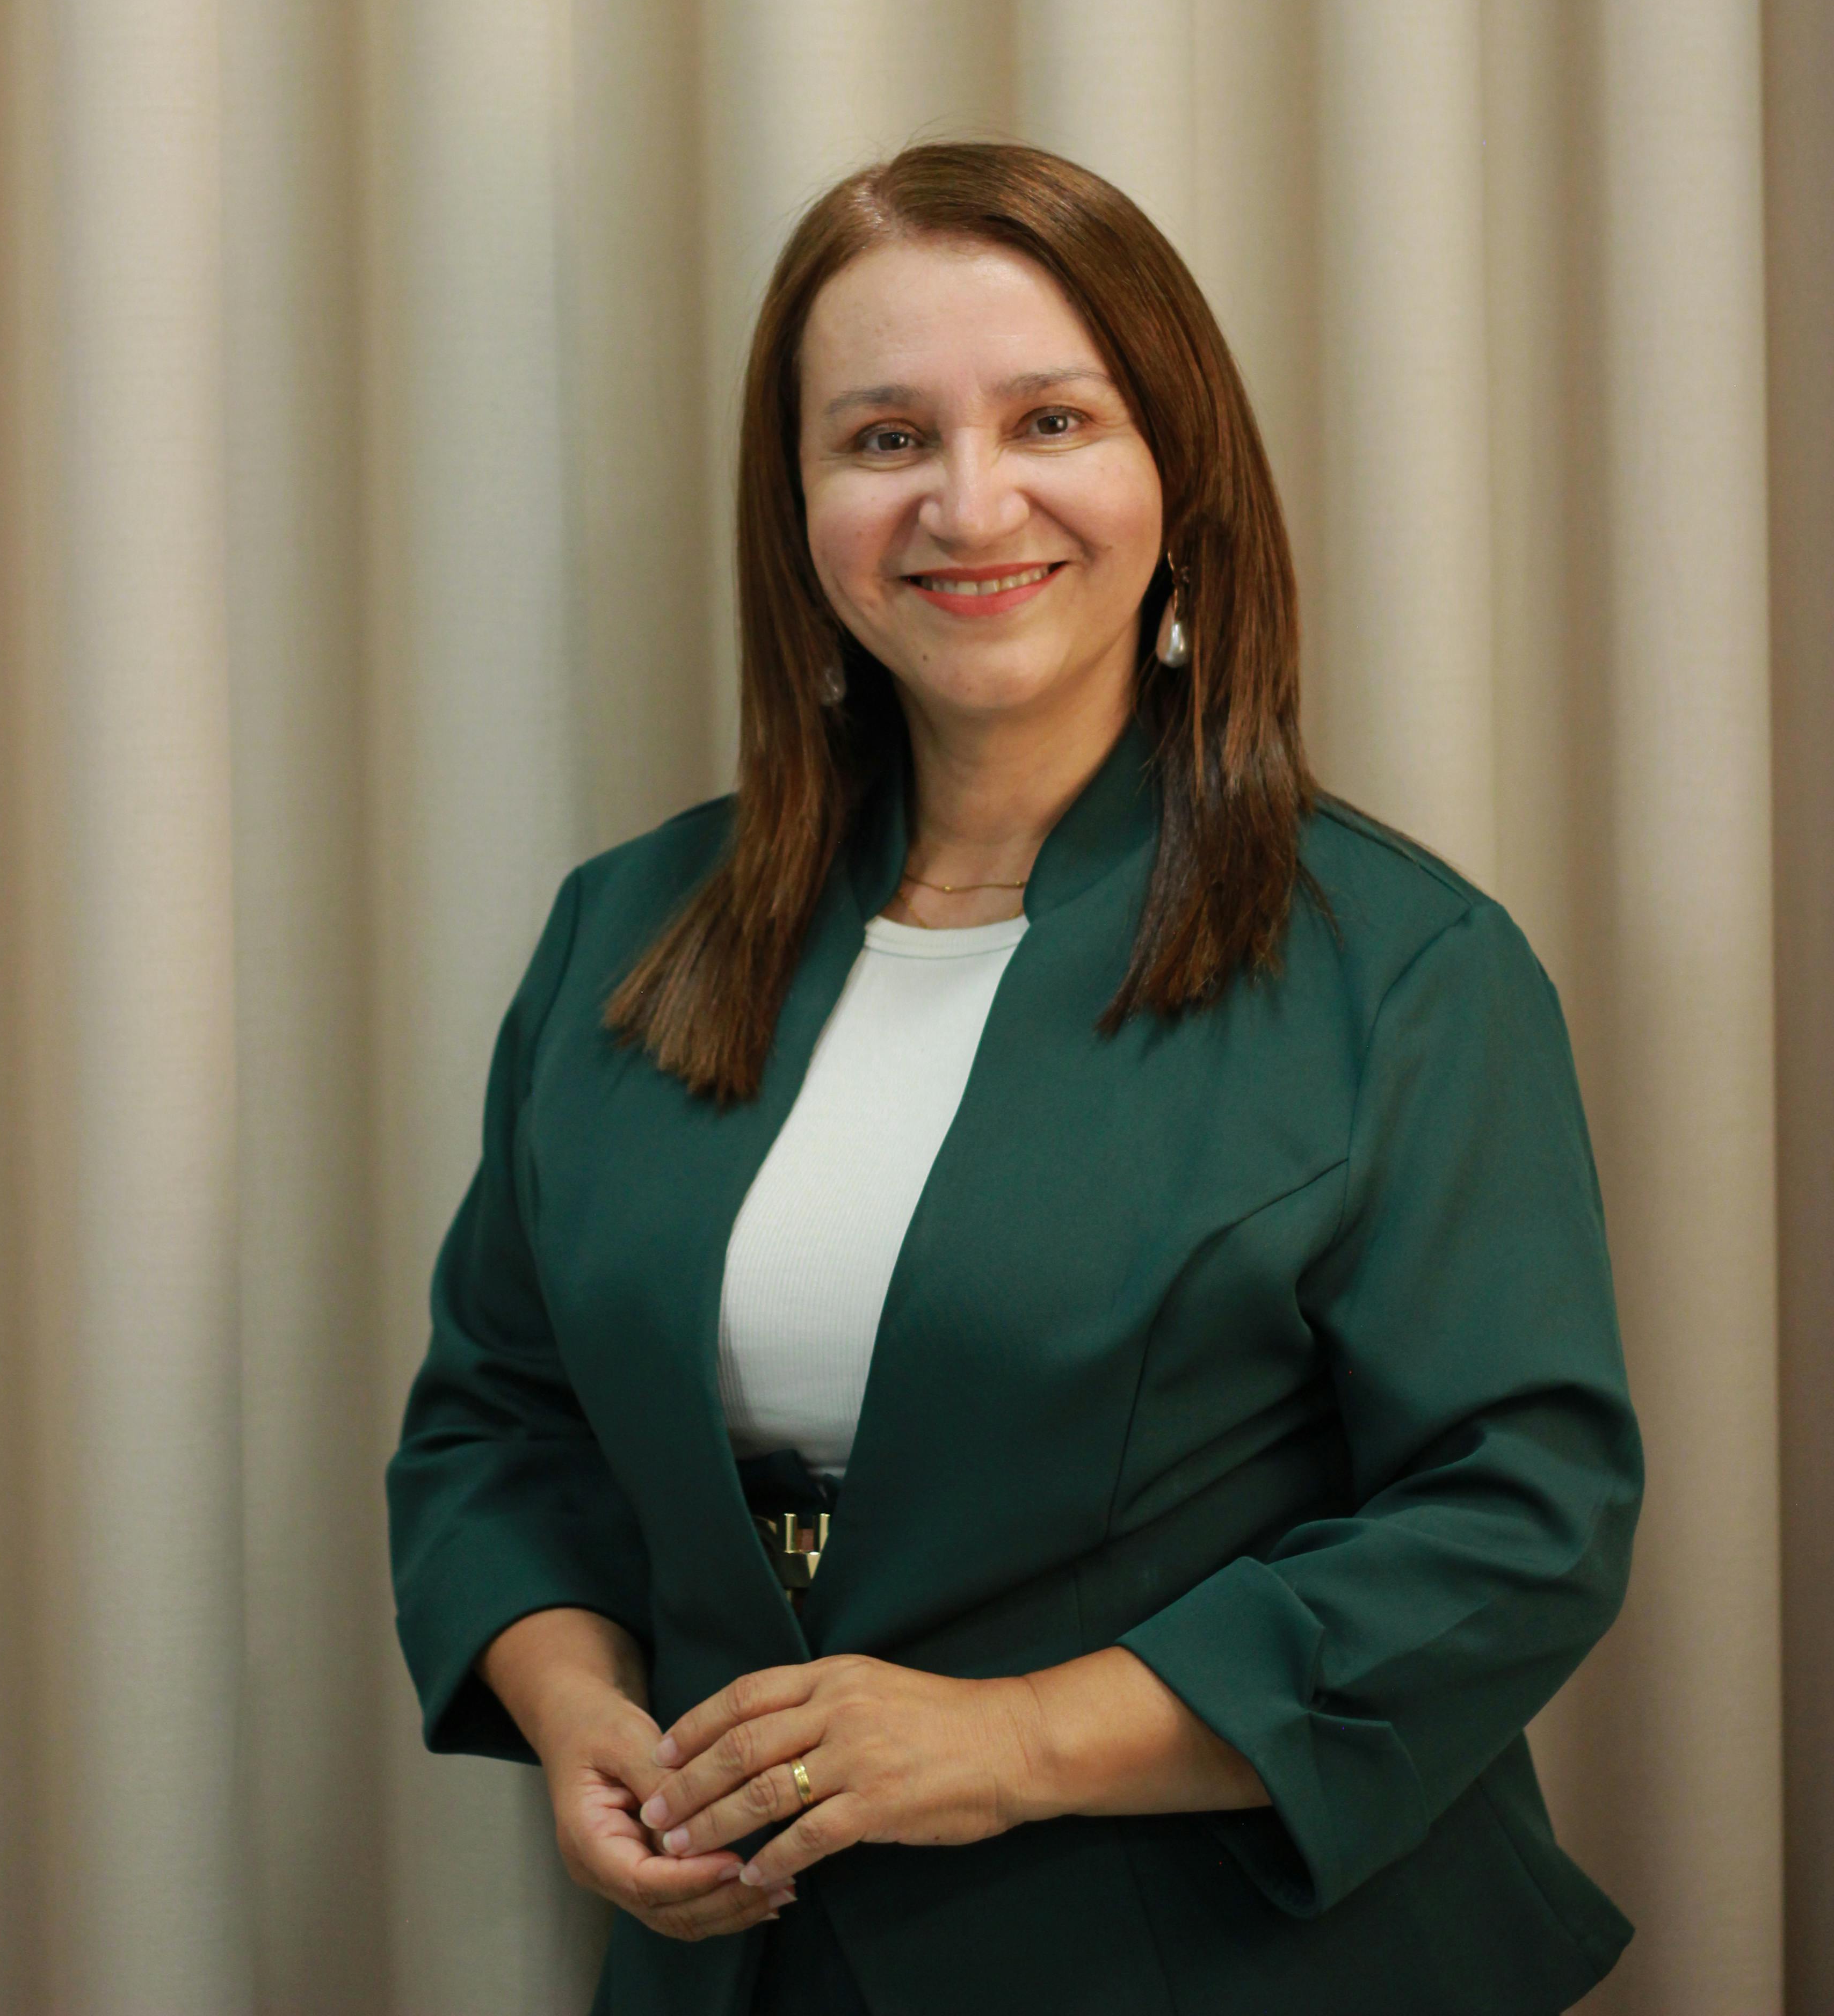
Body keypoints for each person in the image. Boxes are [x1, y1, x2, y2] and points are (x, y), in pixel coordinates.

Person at [387, 140, 1642, 2016]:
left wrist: (1011, 1743)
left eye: (1051, 419)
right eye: (885, 438)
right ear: (798, 508)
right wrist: (581, 1718)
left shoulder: (1405, 970)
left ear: (1177, 475)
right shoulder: (626, 932)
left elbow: (1519, 1519)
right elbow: (500, 1420)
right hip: (736, 1970)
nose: (970, 504)